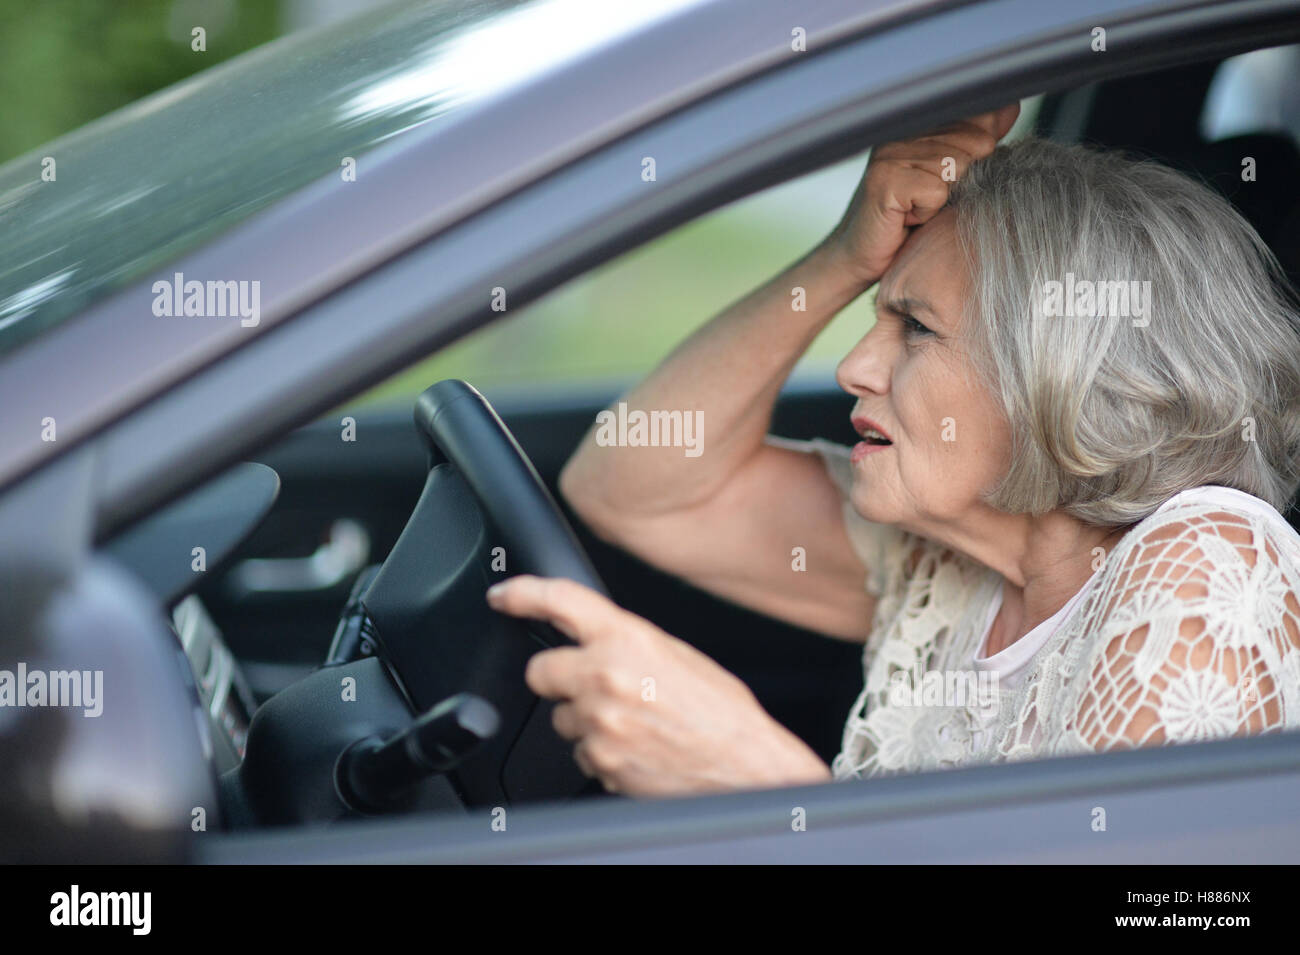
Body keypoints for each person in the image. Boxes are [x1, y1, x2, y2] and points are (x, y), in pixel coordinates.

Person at [485, 103, 1300, 796]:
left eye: (915, 327)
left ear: (1060, 372)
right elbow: (627, 485)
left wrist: (757, 784)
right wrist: (844, 255)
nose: (852, 367)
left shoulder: (1208, 562)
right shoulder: (949, 563)